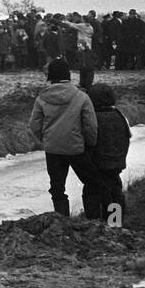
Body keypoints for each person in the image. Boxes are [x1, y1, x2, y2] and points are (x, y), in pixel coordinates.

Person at [28, 59, 98, 216]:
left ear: (50, 76)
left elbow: (34, 125)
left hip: (53, 149)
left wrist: (46, 140)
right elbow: (91, 126)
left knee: (57, 188)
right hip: (76, 148)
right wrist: (89, 144)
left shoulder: (41, 98)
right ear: (68, 74)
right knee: (92, 182)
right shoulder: (81, 97)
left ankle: (62, 221)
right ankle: (92, 220)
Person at [84, 83, 130, 224]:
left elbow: (89, 140)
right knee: (115, 192)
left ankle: (93, 224)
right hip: (116, 162)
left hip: (98, 163)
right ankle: (115, 224)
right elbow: (126, 137)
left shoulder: (93, 117)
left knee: (92, 192)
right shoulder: (119, 115)